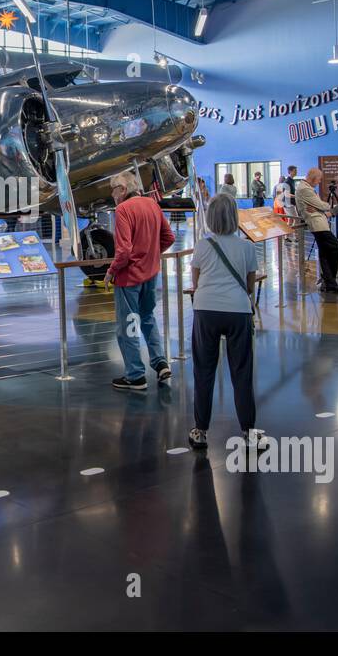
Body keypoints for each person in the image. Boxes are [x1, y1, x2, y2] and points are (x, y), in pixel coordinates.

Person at [187, 193, 265, 451]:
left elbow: (196, 282)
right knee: (242, 371)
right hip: (238, 311)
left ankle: (200, 430)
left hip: (206, 310)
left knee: (203, 370)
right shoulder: (247, 247)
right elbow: (250, 285)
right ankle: (248, 431)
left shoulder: (201, 245)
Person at [106, 170, 175, 391]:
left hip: (129, 278)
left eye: (114, 190)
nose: (112, 195)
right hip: (151, 274)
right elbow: (169, 237)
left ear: (123, 189)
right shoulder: (152, 203)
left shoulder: (123, 209)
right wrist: (151, 254)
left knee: (128, 326)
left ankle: (135, 375)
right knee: (147, 317)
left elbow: (124, 250)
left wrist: (111, 271)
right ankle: (160, 362)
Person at [294, 168, 338, 294]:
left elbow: (318, 206)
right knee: (337, 248)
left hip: (319, 223)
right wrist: (325, 208)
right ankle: (329, 280)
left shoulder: (305, 187)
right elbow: (322, 205)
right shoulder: (304, 188)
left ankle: (329, 283)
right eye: (319, 179)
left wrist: (318, 208)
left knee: (325, 254)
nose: (320, 181)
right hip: (317, 225)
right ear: (312, 178)